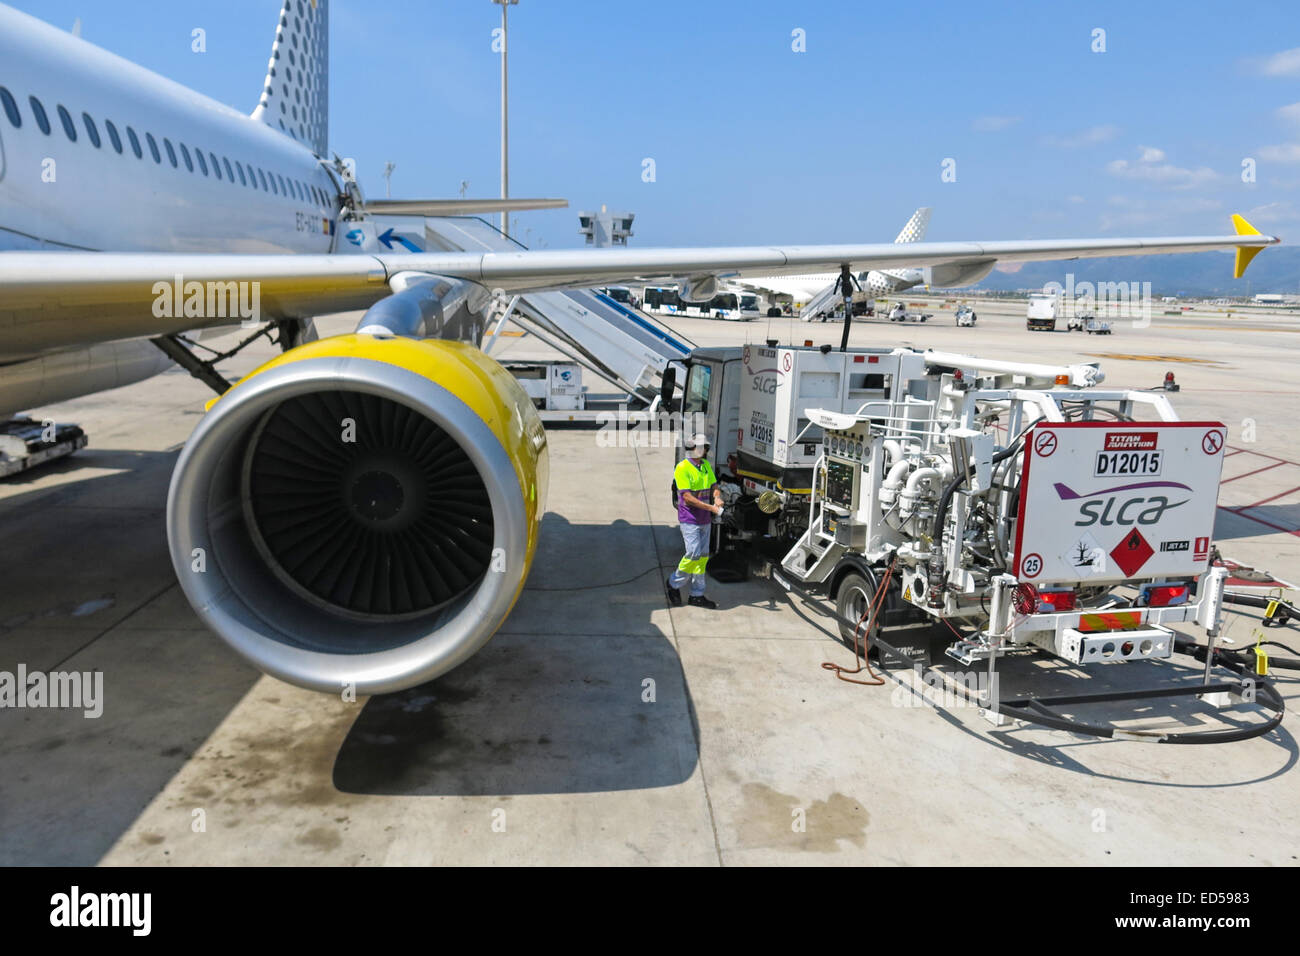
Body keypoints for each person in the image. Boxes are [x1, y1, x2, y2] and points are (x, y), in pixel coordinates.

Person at [666, 433, 723, 609]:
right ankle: (673, 584)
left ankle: (697, 594)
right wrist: (712, 509)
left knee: (703, 557)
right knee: (693, 554)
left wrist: (717, 498)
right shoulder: (682, 468)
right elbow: (688, 498)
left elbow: (714, 486)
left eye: (703, 447)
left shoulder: (705, 466)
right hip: (690, 519)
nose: (701, 449)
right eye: (697, 446)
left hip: (704, 519)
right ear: (690, 448)